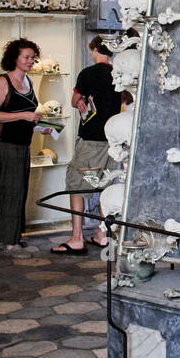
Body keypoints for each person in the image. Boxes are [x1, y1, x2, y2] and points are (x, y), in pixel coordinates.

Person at [53, 36, 123, 255]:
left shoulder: (87, 74)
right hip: (115, 140)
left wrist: (82, 102)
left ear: (93, 49)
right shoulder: (119, 73)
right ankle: (103, 234)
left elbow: (75, 101)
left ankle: (76, 238)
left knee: (77, 185)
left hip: (91, 139)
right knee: (105, 185)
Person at [0, 38, 42, 254]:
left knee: (17, 192)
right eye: (27, 57)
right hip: (6, 147)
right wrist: (24, 115)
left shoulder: (28, 82)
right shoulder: (3, 82)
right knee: (9, 192)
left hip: (22, 146)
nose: (31, 61)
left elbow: (25, 116)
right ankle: (10, 240)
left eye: (33, 57)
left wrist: (39, 124)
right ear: (15, 58)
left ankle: (8, 235)